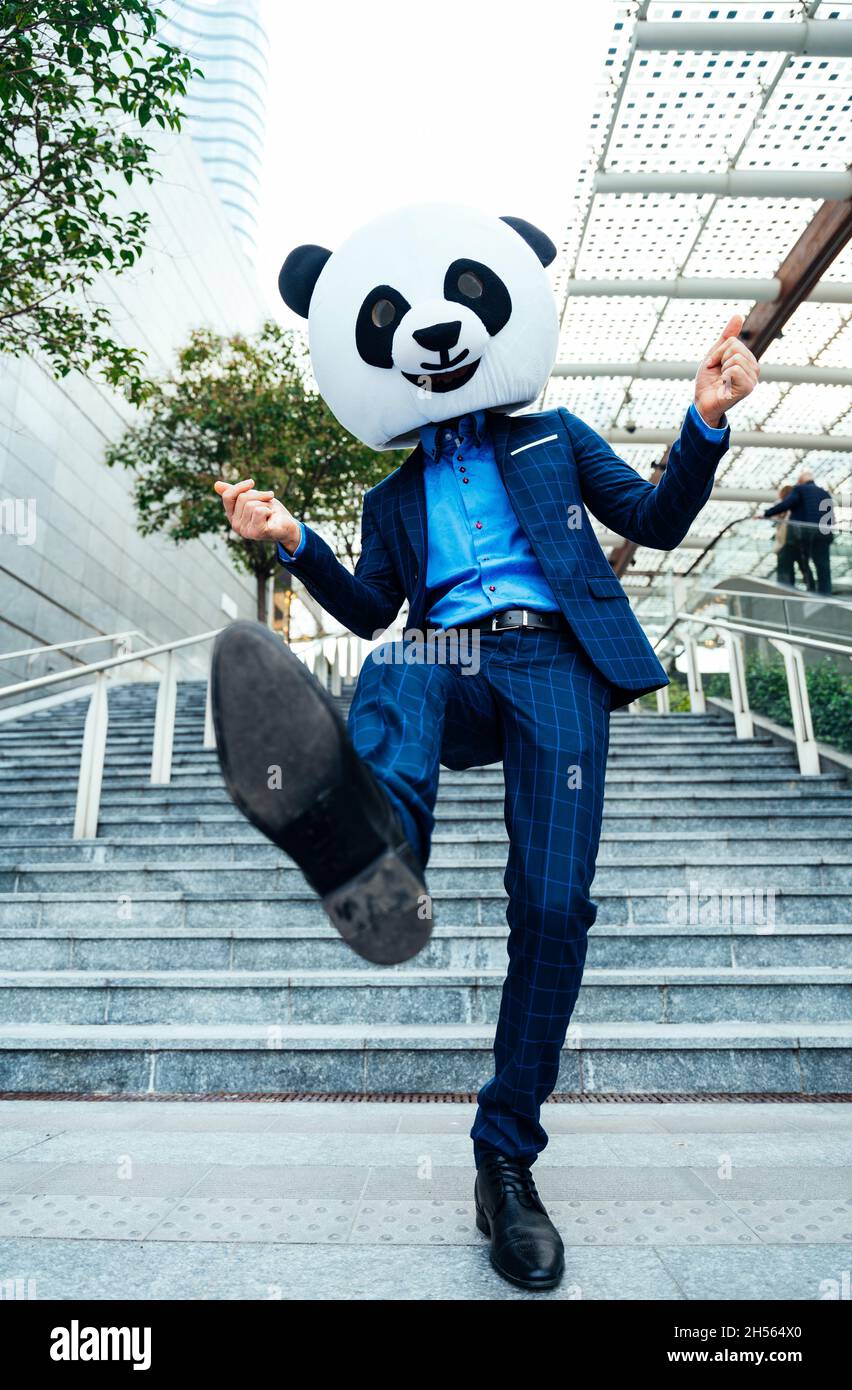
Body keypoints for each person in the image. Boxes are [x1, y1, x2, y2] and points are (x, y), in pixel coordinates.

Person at [209, 204, 759, 1292]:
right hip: (450, 655)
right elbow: (372, 608)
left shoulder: (556, 436)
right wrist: (293, 541)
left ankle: (504, 1157)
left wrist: (701, 421)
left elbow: (650, 520)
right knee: (401, 659)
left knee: (553, 910)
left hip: (557, 661)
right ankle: (380, 845)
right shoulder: (394, 492)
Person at [764, 470, 834, 595]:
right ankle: (825, 596)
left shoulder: (799, 489)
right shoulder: (825, 493)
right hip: (824, 534)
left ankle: (789, 593)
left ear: (800, 481)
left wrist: (766, 514)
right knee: (822, 567)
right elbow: (830, 516)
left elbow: (787, 504)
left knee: (802, 562)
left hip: (804, 534)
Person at [772, 485, 812, 589]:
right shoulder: (801, 504)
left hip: (785, 541)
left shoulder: (780, 504)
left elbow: (774, 518)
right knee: (804, 567)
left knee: (785, 569)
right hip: (800, 540)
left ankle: (785, 590)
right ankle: (812, 589)